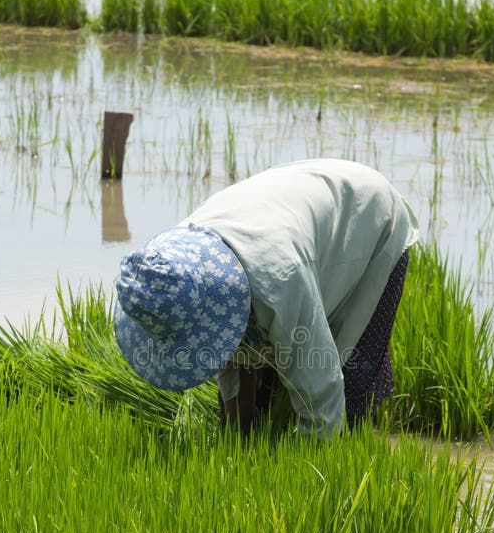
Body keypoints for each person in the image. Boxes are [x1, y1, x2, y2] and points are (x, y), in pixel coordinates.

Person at [113, 158, 419, 437]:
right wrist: (236, 437)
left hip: (367, 216)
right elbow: (225, 354)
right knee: (261, 395)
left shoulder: (279, 280)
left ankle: (355, 453)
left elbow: (322, 388)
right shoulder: (169, 266)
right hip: (293, 217)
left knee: (349, 377)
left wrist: (306, 476)